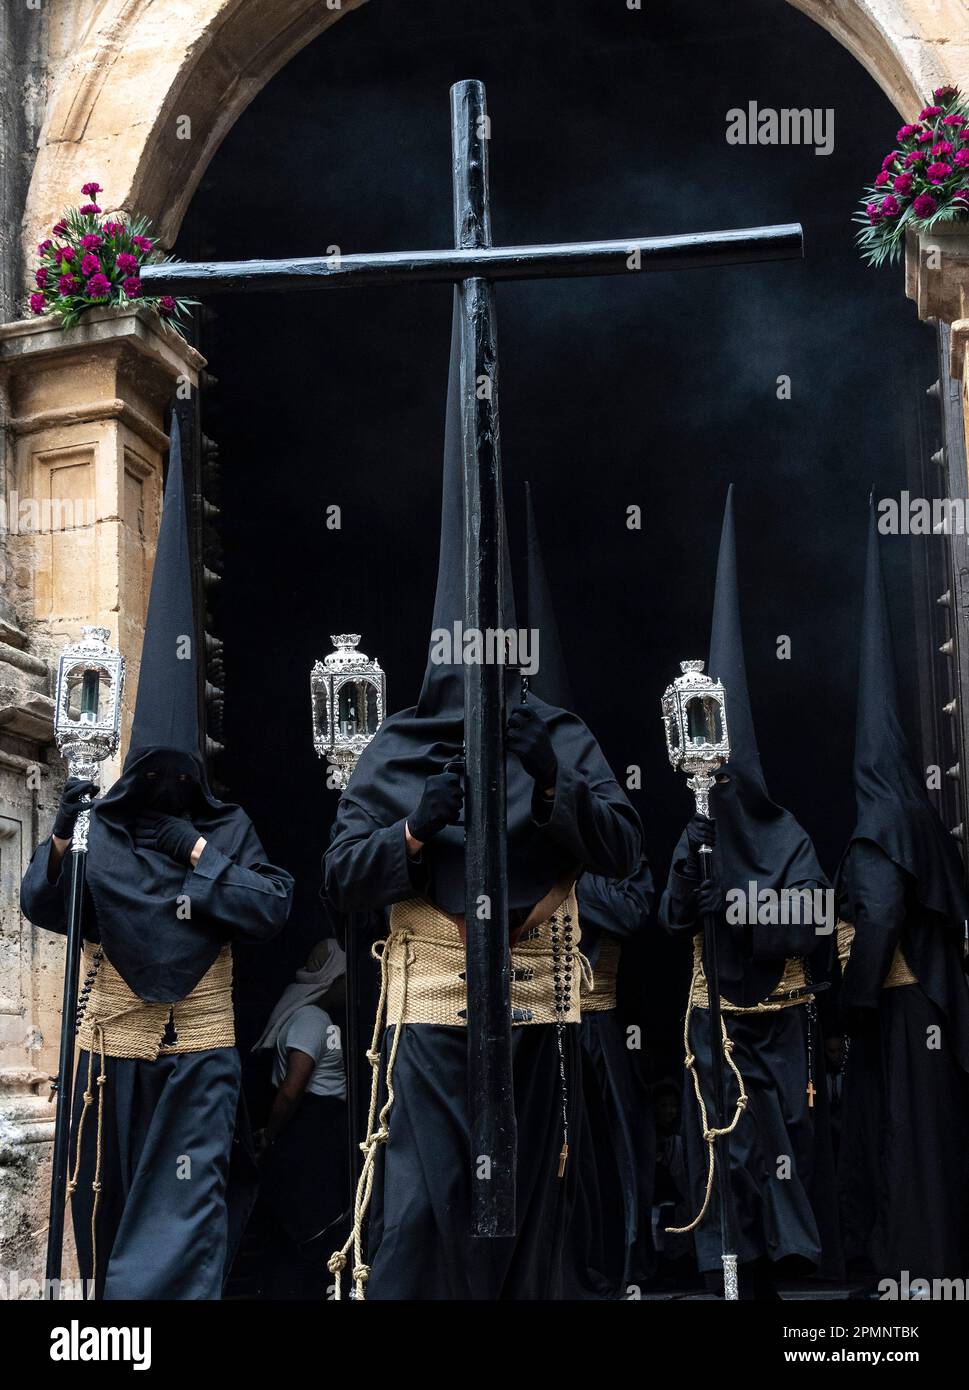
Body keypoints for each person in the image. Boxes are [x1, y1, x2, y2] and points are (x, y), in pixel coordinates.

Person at [323, 298, 643, 1300]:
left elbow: (624, 845)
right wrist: (419, 823)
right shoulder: (401, 742)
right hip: (433, 1015)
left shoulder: (553, 731)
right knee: (426, 1214)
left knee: (540, 1220)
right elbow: (339, 879)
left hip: (542, 1019)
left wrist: (547, 786)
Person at [20, 420, 294, 1300]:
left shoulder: (225, 826)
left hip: (199, 1062)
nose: (171, 787)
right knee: (107, 1238)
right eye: (159, 777)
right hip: (111, 1060)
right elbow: (47, 906)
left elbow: (266, 906)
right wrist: (64, 834)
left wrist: (199, 849)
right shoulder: (108, 826)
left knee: (180, 1246)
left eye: (187, 779)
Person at [659, 486, 835, 1300]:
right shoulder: (697, 830)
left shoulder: (786, 831)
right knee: (718, 1132)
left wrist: (735, 907)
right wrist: (692, 881)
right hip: (712, 1009)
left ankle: (793, 1253)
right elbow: (666, 917)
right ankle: (720, 1254)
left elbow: (811, 914)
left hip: (779, 1007)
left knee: (784, 1131)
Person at [523, 482, 656, 1299]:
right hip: (525, 1017)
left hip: (597, 1019)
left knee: (614, 1159)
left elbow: (635, 905)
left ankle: (624, 1271)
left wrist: (571, 882)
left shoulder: (607, 817)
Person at [836, 503, 969, 1289]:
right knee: (933, 1143)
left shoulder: (880, 818)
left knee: (907, 1143)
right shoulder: (915, 814)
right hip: (937, 1004)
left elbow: (882, 912)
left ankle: (916, 1274)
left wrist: (851, 1000)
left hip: (906, 1002)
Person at [253, 939, 349, 1297]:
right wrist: (274, 1136)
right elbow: (292, 1090)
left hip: (315, 1131)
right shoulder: (313, 1019)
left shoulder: (317, 1019)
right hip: (311, 1133)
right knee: (312, 1232)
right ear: (332, 979)